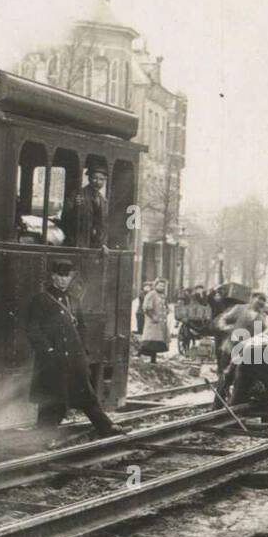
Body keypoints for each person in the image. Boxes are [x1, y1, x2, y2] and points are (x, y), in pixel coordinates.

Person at [25, 260, 124, 437]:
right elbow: (33, 330)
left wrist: (82, 352)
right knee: (52, 399)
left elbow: (81, 329)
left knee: (87, 395)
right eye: (60, 276)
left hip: (74, 358)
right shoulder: (41, 300)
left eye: (67, 276)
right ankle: (42, 436)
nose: (63, 280)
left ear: (71, 278)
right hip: (52, 359)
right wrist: (48, 351)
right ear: (53, 276)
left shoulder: (74, 301)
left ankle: (105, 426)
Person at [63, 163, 109, 247]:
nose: (97, 182)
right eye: (94, 178)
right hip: (77, 242)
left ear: (105, 181)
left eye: (101, 179)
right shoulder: (77, 194)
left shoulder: (103, 200)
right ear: (89, 178)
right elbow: (65, 218)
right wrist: (76, 208)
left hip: (95, 245)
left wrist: (103, 244)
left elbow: (103, 225)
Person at [140, 278, 170, 362]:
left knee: (157, 342)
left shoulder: (163, 295)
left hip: (160, 323)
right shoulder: (151, 294)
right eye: (160, 285)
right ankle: (142, 354)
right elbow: (146, 308)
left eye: (163, 286)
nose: (161, 287)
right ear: (155, 285)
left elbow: (165, 306)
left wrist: (166, 311)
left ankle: (153, 359)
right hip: (152, 322)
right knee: (151, 341)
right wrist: (153, 317)